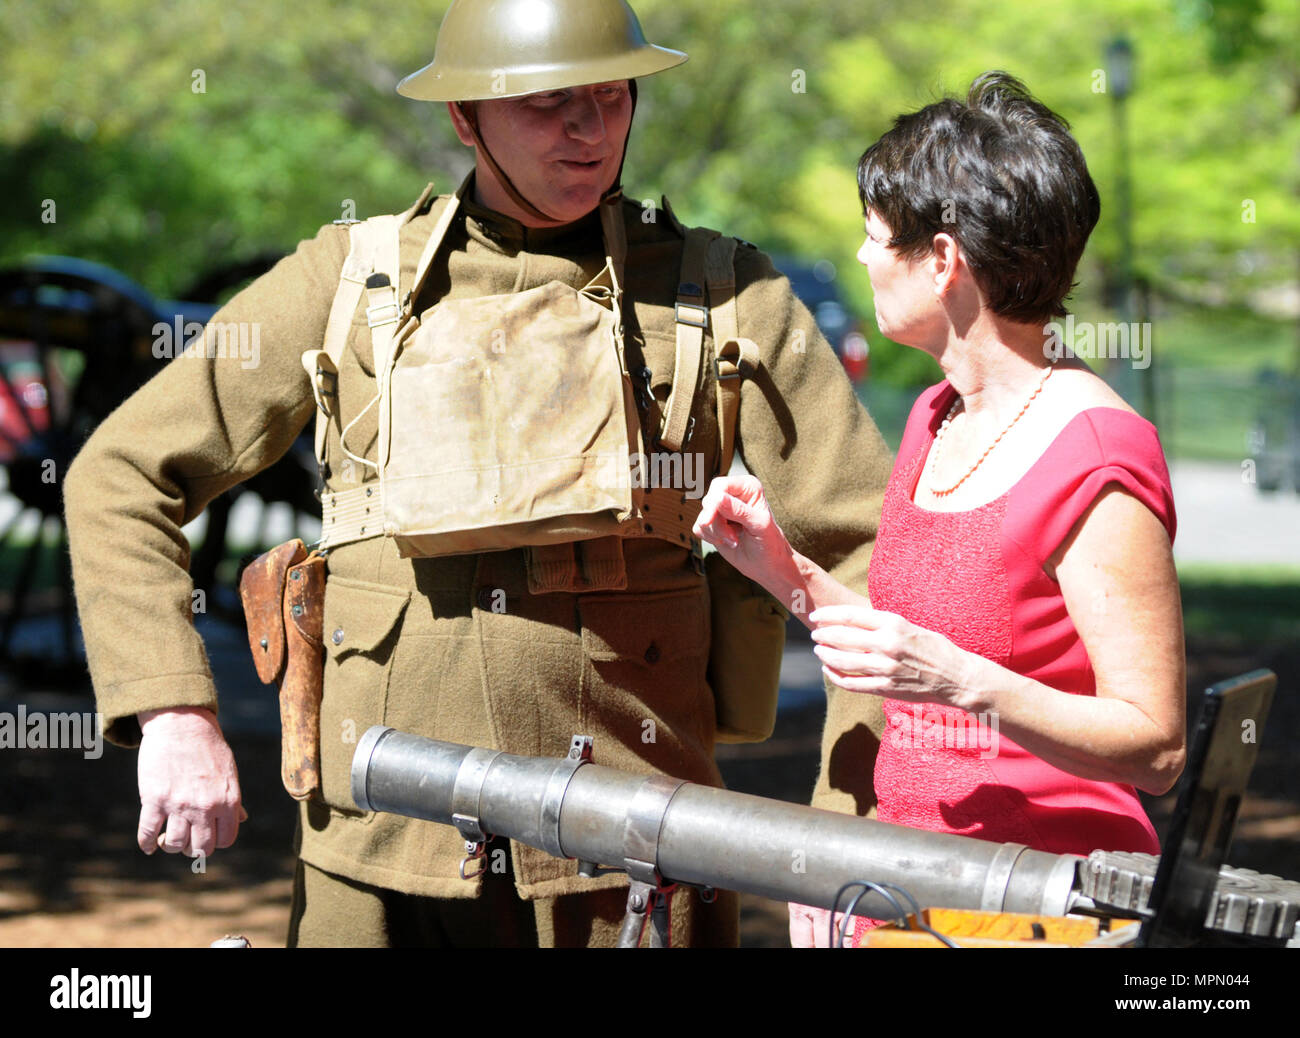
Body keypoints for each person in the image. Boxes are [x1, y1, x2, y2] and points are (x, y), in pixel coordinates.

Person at [61, 0, 894, 947]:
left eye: (613, 94)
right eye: (548, 102)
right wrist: (171, 708)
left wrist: (844, 830)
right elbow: (122, 474)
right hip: (376, 862)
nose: (591, 128)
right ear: (466, 118)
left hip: (637, 860)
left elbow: (869, 548)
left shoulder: (724, 291)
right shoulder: (347, 278)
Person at [694, 71, 1187, 947]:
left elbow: (1154, 749)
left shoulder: (1099, 455)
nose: (861, 258)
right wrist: (785, 569)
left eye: (875, 236)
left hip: (1047, 911)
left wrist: (963, 681)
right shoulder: (934, 413)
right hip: (907, 893)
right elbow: (906, 652)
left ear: (945, 260)